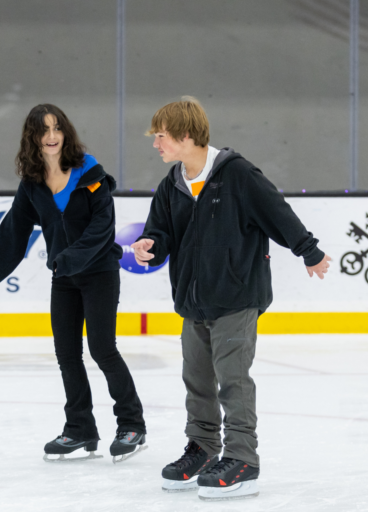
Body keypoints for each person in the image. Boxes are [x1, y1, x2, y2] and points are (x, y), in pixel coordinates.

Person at [131, 97, 331, 499]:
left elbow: (276, 212)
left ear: (186, 135)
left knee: (233, 381)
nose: (156, 143)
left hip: (237, 297)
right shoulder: (172, 184)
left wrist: (308, 250)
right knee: (198, 380)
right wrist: (149, 243)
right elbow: (162, 231)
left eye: (161, 136)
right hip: (194, 300)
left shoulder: (237, 174)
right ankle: (203, 449)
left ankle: (242, 459)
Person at [0, 104, 146, 463]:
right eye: (43, 130)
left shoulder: (90, 173)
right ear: (32, 137)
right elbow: (10, 238)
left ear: (66, 132)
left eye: (57, 128)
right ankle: (80, 429)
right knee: (66, 355)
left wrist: (68, 259)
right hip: (64, 279)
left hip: (99, 274)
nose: (51, 136)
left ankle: (131, 425)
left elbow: (102, 228)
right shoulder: (32, 186)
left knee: (102, 349)